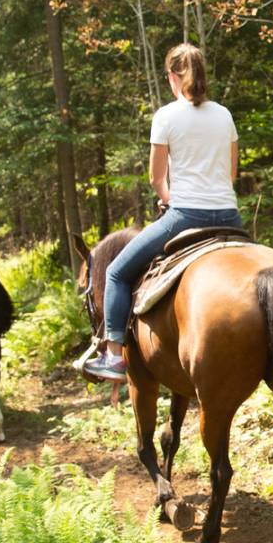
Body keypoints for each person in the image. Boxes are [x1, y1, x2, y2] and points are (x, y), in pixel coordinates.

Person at [84, 43, 242, 382]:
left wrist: (169, 199)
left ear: (172, 77)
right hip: (230, 217)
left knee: (116, 272)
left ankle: (113, 356)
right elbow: (230, 174)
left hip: (184, 216)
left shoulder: (166, 116)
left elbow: (156, 179)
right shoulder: (224, 115)